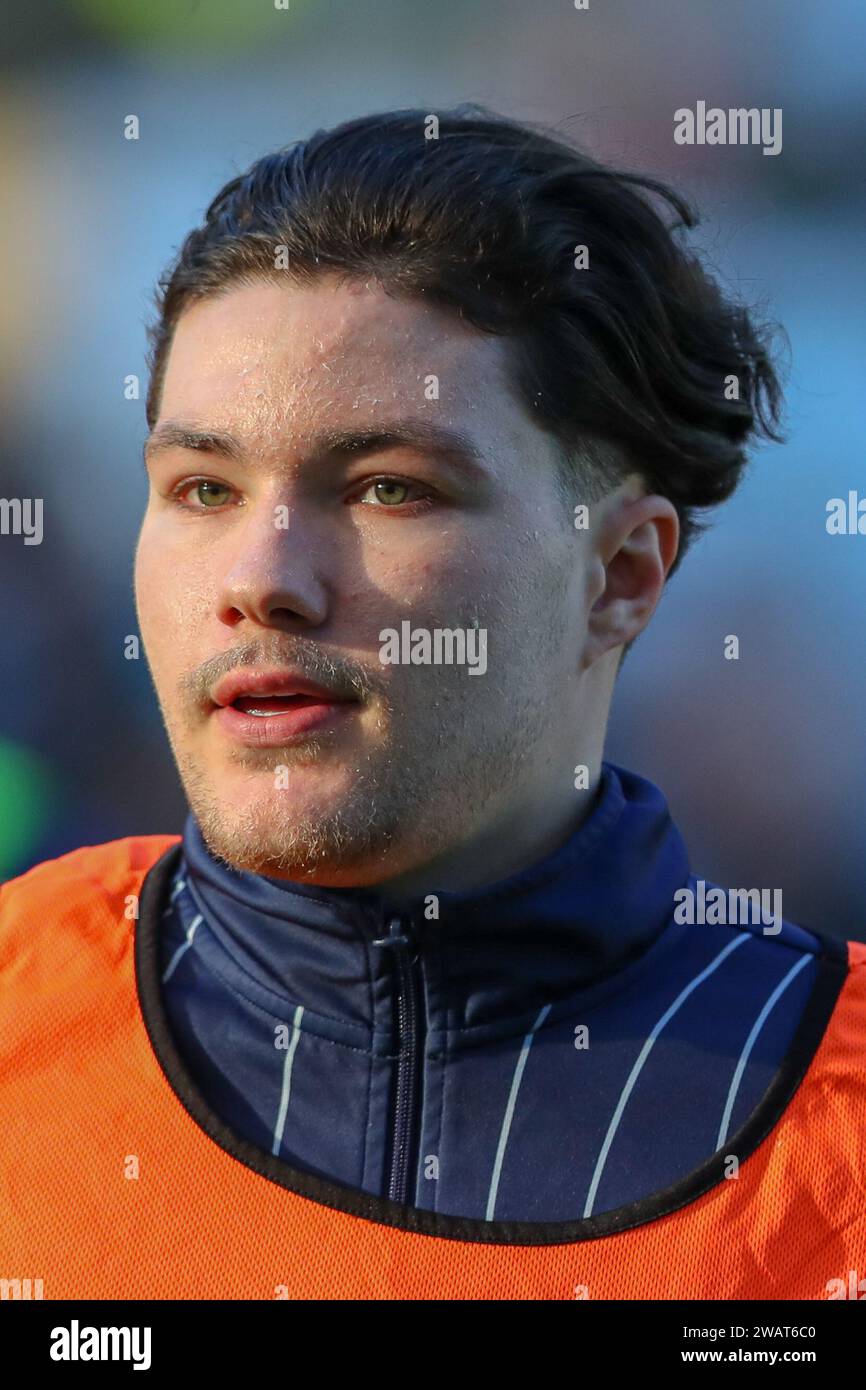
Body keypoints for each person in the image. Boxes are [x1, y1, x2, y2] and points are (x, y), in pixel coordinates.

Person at [2, 105, 864, 1301]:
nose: (261, 580)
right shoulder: (17, 1010)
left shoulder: (836, 1143)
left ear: (619, 573)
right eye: (203, 486)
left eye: (388, 487)